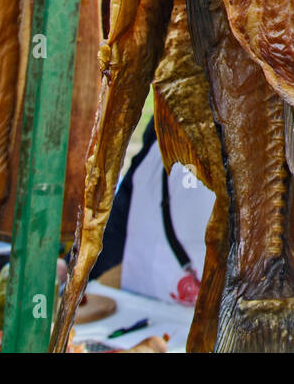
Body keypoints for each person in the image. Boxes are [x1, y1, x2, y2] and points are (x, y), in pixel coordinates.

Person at [90, 122, 215, 306]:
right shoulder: (159, 125)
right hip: (138, 305)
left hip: (202, 320)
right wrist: (79, 268)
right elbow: (125, 207)